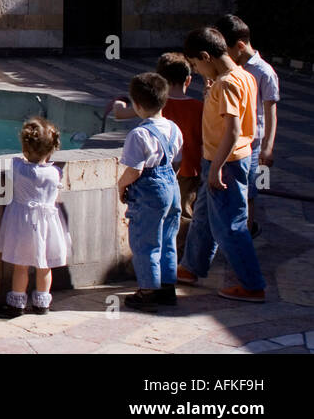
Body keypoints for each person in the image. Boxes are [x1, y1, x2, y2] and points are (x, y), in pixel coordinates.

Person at [177, 27, 265, 301]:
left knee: (230, 225)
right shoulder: (243, 75)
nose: (197, 70)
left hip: (225, 163)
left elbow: (234, 130)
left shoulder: (226, 83)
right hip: (226, 160)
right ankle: (190, 267)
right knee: (202, 216)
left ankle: (252, 285)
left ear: (205, 56)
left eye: (195, 65)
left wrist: (215, 168)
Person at [106, 53, 203, 257]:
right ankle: (178, 255)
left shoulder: (158, 104)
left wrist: (118, 103)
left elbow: (120, 114)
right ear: (188, 80)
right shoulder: (199, 107)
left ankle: (157, 254)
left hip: (158, 174)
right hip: (190, 169)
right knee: (184, 214)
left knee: (156, 218)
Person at [116, 72, 183, 312]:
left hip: (150, 190)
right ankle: (167, 286)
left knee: (145, 240)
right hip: (172, 187)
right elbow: (176, 161)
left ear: (137, 105)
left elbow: (134, 170)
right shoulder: (174, 128)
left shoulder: (139, 134)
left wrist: (121, 186)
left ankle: (147, 290)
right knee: (167, 238)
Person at [0, 117, 71, 317]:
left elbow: (9, 165)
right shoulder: (55, 173)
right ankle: (42, 302)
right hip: (47, 224)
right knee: (44, 265)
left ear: (26, 148)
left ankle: (17, 303)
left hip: (23, 223)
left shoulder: (18, 168)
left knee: (21, 265)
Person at [214, 15, 279, 238]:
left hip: (252, 142)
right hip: (228, 139)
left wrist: (268, 147)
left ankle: (247, 230)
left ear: (240, 45)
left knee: (248, 190)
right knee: (232, 187)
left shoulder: (264, 72)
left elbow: (270, 112)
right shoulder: (229, 70)